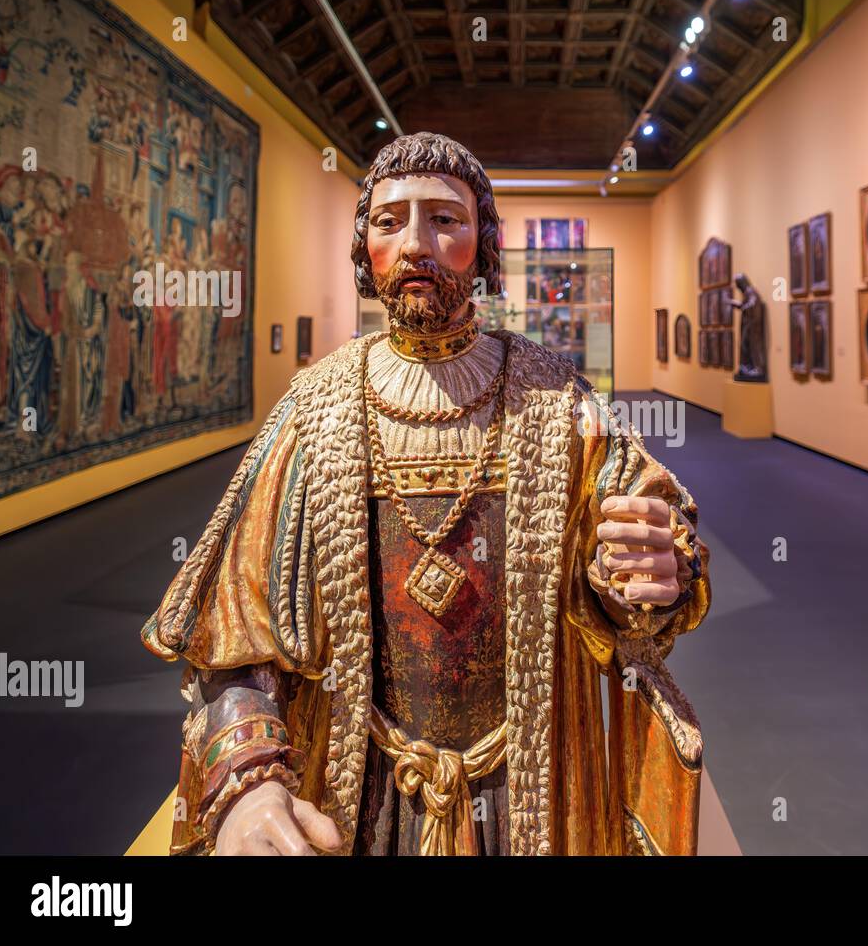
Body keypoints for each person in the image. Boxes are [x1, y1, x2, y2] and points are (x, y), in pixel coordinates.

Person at [142, 132, 711, 856]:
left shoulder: (554, 398)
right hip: (364, 788)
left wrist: (651, 571)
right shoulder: (315, 409)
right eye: (389, 221)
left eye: (445, 219)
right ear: (363, 247)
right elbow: (229, 637)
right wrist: (249, 780)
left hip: (530, 787)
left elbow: (657, 543)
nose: (416, 243)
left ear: (486, 243)